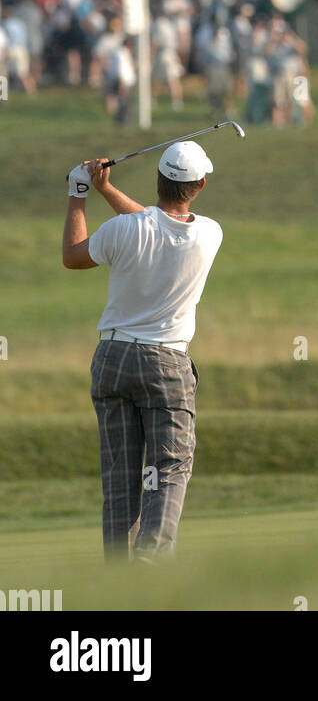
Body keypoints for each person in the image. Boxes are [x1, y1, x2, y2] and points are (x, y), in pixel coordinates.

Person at [62, 141, 223, 561]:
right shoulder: (210, 233)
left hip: (113, 359)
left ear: (158, 178)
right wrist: (104, 191)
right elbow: (155, 225)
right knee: (168, 471)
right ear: (200, 184)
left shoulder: (124, 230)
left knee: (121, 478)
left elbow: (73, 257)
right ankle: (149, 567)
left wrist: (80, 194)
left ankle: (119, 581)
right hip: (167, 366)